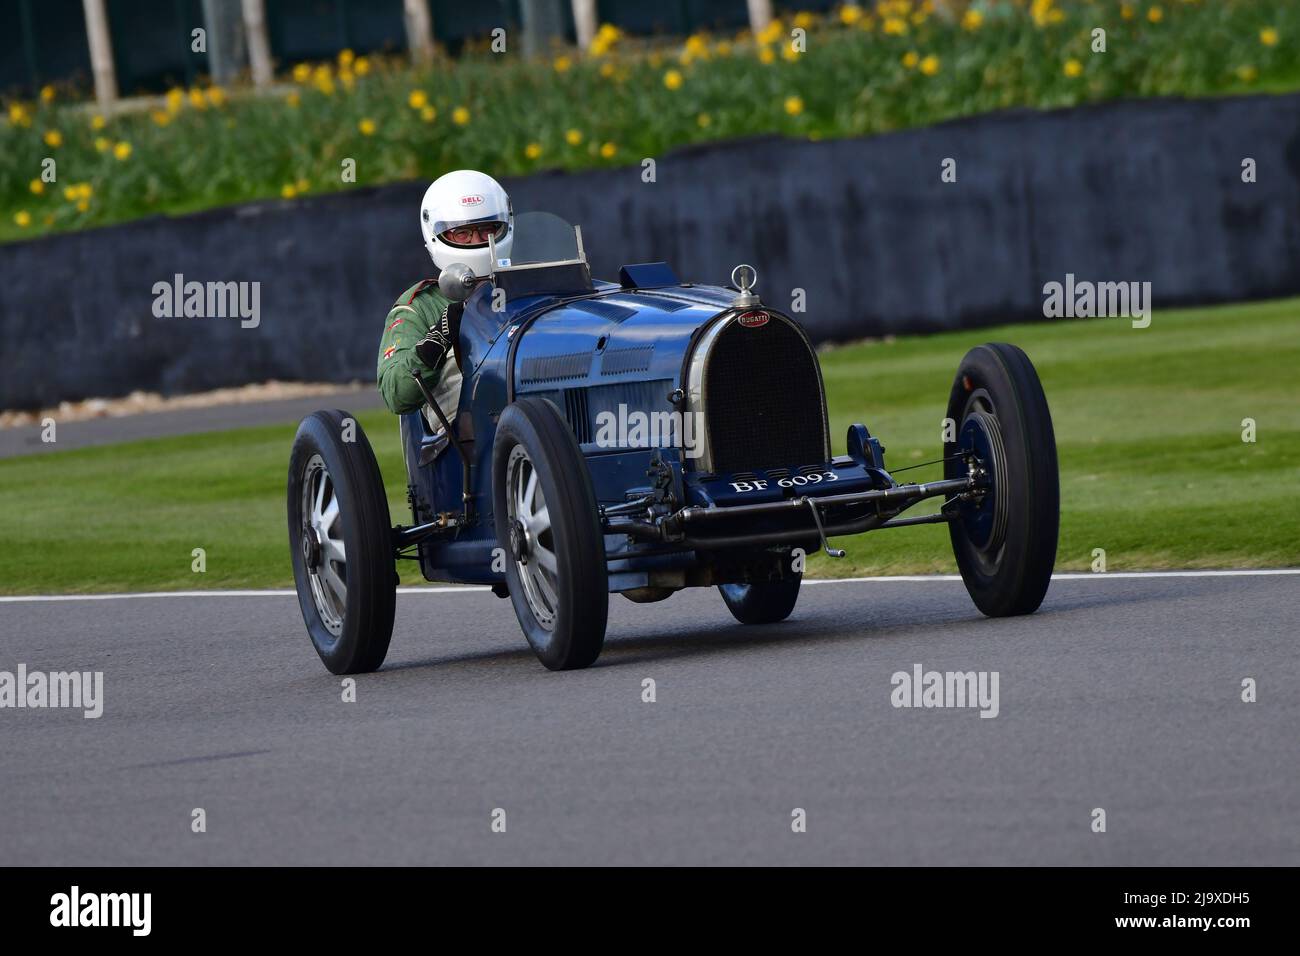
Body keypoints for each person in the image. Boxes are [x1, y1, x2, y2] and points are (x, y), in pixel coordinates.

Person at [376, 169, 514, 425]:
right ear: (437, 234)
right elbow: (396, 394)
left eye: (488, 230)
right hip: (463, 438)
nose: (477, 241)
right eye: (462, 233)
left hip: (537, 417)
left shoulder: (529, 283)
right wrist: (437, 339)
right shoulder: (421, 305)